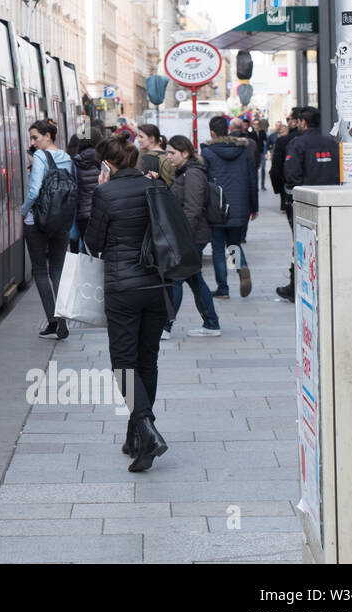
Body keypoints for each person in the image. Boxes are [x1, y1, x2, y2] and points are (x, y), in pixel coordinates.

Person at [83, 134, 170, 471]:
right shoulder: (156, 187)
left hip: (123, 289)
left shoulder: (105, 193)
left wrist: (100, 192)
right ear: (135, 160)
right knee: (147, 360)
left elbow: (93, 243)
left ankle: (146, 429)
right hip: (158, 284)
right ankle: (135, 436)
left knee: (123, 362)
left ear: (108, 164)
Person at [277, 107, 342, 299]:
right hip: (331, 199)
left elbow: (291, 174)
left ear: (303, 123)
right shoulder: (331, 143)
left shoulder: (298, 143)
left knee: (302, 242)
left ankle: (296, 284)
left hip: (306, 201)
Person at [161, 135, 222, 338]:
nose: (168, 156)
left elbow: (193, 209)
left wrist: (181, 238)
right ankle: (211, 323)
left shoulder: (193, 174)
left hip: (191, 236)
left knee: (176, 278)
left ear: (185, 153)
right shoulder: (184, 172)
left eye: (172, 153)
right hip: (190, 235)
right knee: (195, 279)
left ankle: (166, 326)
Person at [19, 119, 74, 339]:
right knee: (57, 269)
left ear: (47, 136)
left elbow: (34, 192)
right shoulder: (67, 157)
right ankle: (62, 319)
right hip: (61, 221)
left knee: (40, 271)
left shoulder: (41, 156)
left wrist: (23, 211)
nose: (33, 142)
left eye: (35, 137)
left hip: (38, 222)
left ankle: (52, 320)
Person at [201, 115, 258, 298]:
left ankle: (223, 288)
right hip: (239, 206)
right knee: (233, 243)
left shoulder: (208, 152)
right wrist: (254, 206)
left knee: (217, 247)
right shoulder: (243, 150)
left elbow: (204, 182)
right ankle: (241, 269)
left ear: (212, 132)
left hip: (217, 208)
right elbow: (252, 179)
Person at [270, 109, 306, 299]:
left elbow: (276, 171)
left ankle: (295, 284)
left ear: (299, 121)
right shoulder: (330, 140)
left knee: (298, 241)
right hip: (324, 197)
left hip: (294, 197)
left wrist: (282, 194)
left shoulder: (286, 142)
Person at [69, 129, 103, 252]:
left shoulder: (76, 162)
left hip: (83, 215)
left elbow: (74, 190)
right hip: (102, 213)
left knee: (86, 252)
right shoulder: (103, 159)